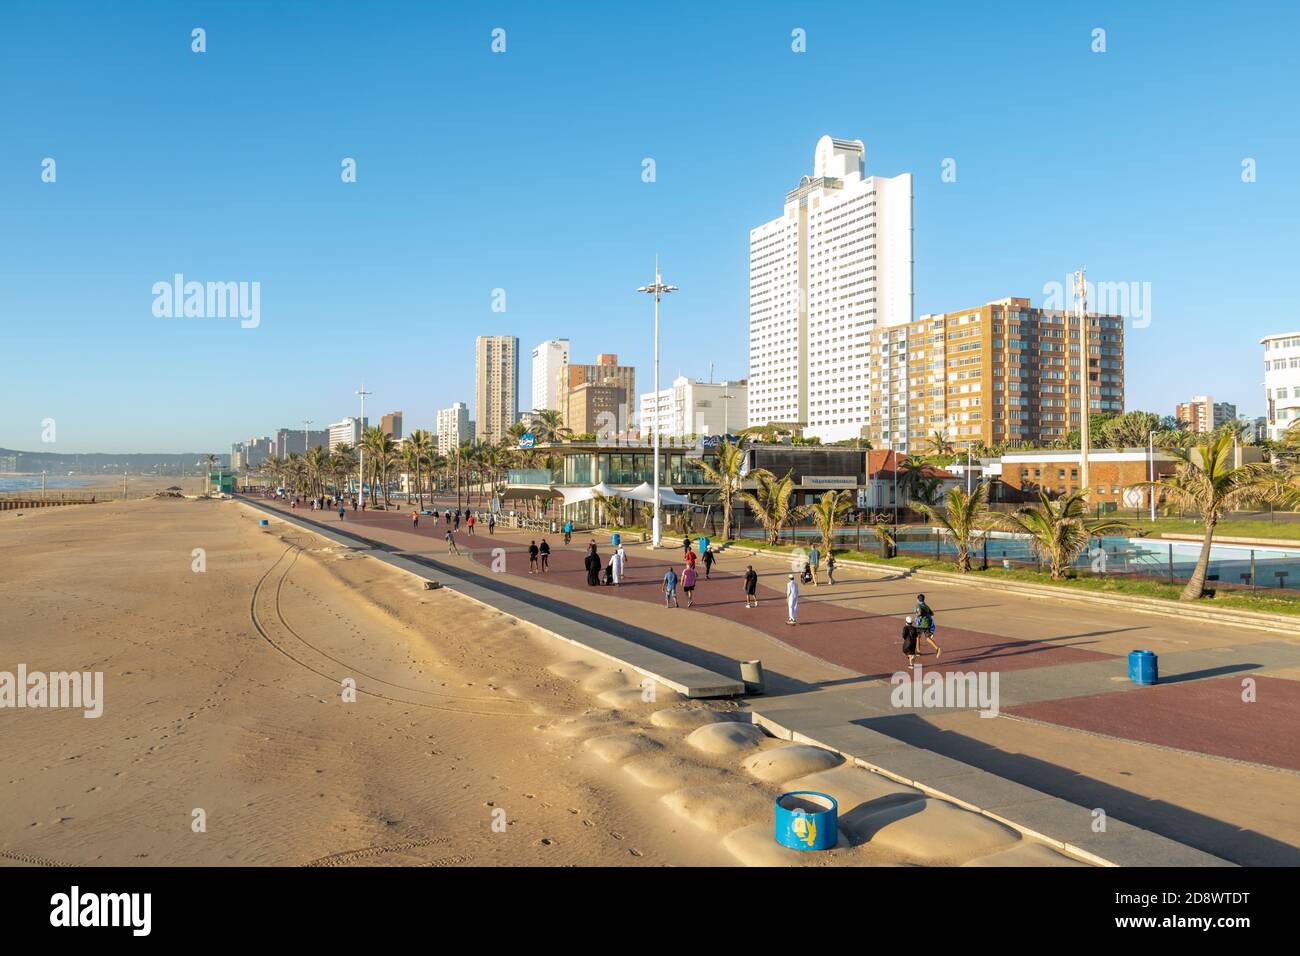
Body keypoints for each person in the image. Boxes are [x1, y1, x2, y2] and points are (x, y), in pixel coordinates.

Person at [913, 593, 942, 658]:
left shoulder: (918, 605)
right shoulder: (926, 606)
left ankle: (918, 651)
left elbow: (919, 612)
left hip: (921, 624)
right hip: (928, 624)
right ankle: (937, 648)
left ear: (917, 599)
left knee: (917, 637)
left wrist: (917, 616)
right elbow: (932, 613)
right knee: (927, 638)